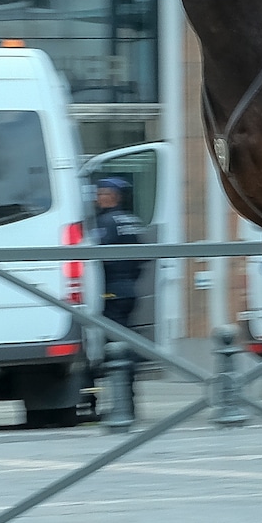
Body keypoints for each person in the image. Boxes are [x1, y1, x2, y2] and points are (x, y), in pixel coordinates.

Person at [90, 177, 148, 418]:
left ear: (113, 196)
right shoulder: (132, 221)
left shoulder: (105, 223)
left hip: (111, 291)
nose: (98, 198)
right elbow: (142, 260)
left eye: (102, 194)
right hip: (129, 290)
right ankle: (128, 403)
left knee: (114, 349)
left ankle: (122, 406)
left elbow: (98, 258)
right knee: (125, 345)